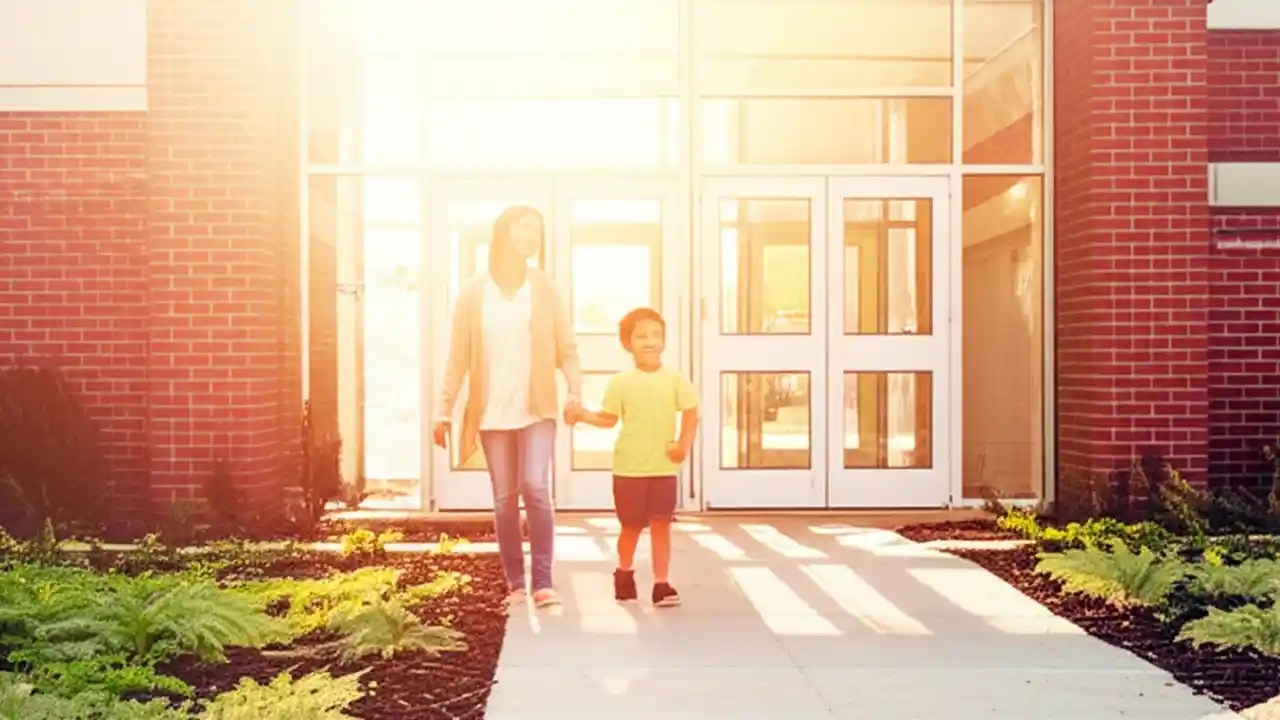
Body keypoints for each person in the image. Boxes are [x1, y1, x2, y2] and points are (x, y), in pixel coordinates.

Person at [432, 205, 581, 609]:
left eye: (539, 229)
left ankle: (544, 582)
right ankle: (515, 583)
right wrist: (444, 409)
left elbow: (567, 347)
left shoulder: (544, 288)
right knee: (504, 496)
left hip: (537, 407)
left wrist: (574, 390)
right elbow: (457, 356)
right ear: (504, 232)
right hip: (492, 408)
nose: (533, 234)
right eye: (526, 227)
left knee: (535, 486)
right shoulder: (472, 292)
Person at [567, 307, 698, 607]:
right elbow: (608, 419)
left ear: (664, 340)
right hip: (629, 470)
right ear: (628, 344)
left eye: (656, 335)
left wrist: (683, 445)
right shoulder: (621, 383)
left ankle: (661, 583)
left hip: (663, 467)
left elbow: (692, 414)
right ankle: (624, 572)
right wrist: (582, 415)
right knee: (631, 526)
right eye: (641, 336)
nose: (649, 341)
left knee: (662, 523)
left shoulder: (675, 380)